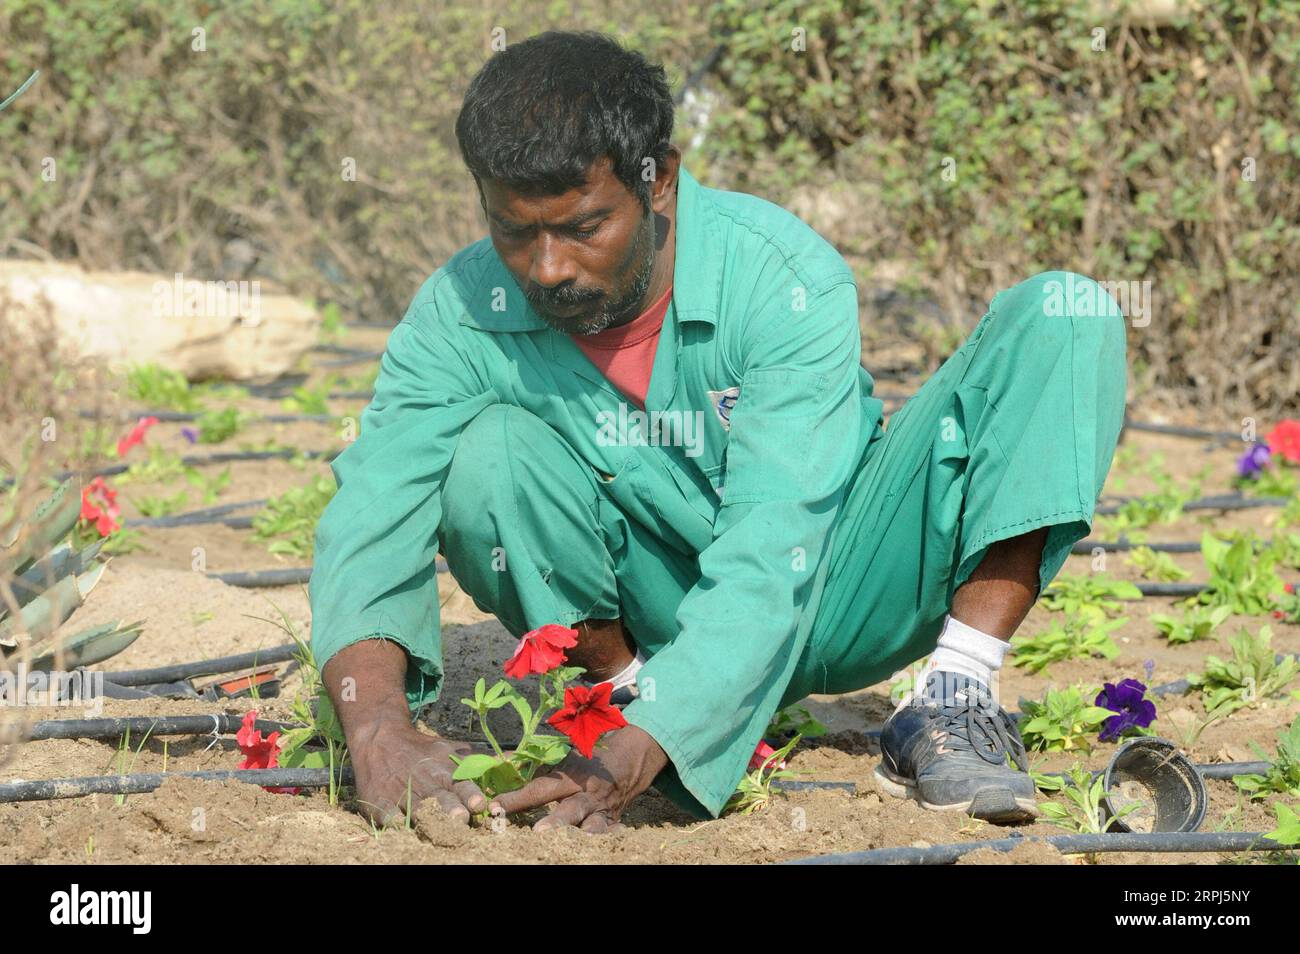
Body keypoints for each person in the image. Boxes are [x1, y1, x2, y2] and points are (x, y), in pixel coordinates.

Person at [309, 30, 1128, 832]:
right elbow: (376, 511)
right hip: (653, 618)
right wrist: (377, 728)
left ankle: (955, 694)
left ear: (657, 179)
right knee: (485, 460)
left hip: (842, 579)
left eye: (585, 227)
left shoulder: (778, 276)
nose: (547, 268)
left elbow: (776, 545)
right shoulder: (460, 311)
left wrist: (662, 737)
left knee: (1064, 312)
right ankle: (625, 694)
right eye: (515, 231)